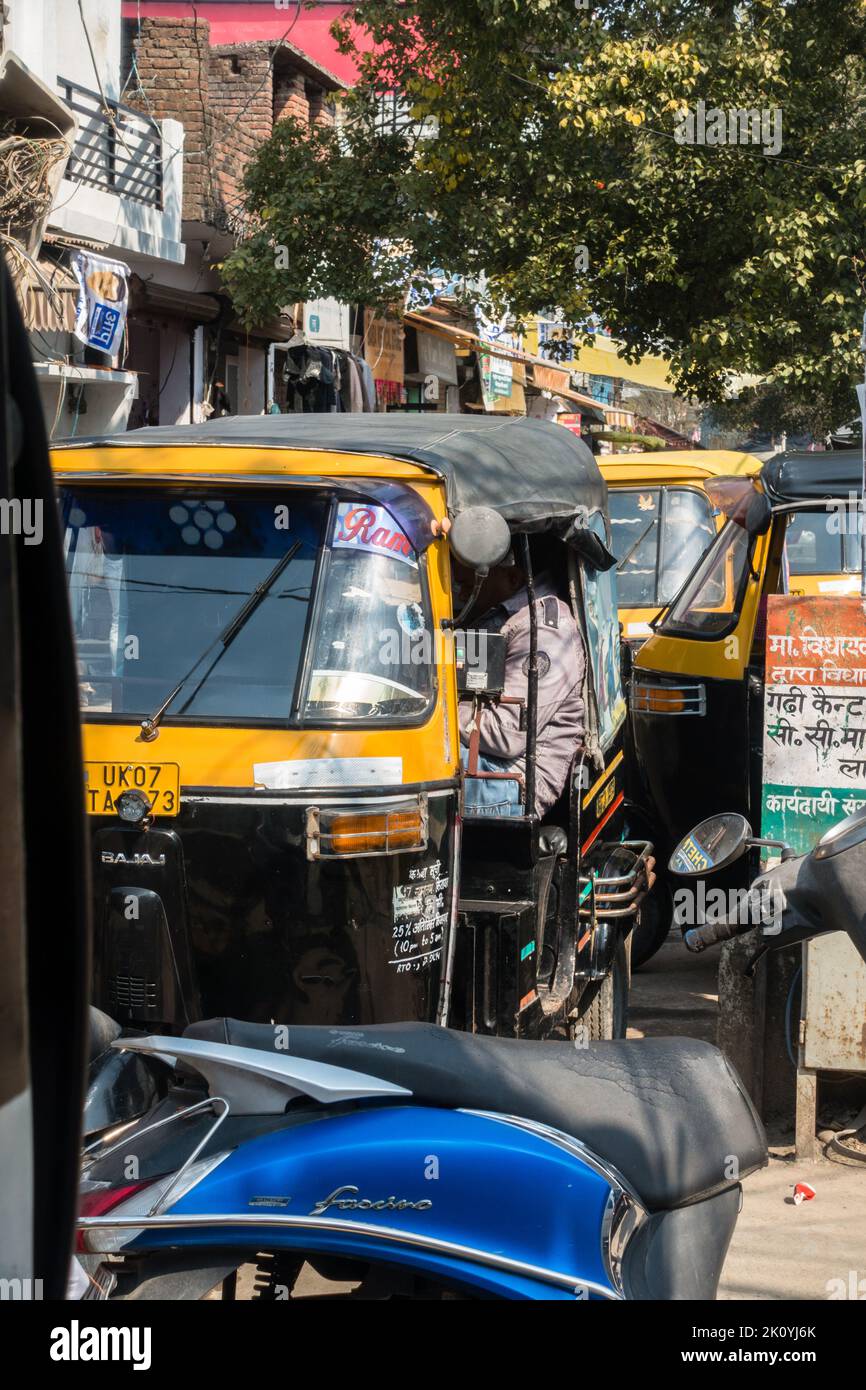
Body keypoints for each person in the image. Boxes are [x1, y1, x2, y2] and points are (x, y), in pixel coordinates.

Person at [453, 554, 586, 817]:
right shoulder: (503, 614)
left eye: (468, 587)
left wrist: (437, 715)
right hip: (484, 758)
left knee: (398, 771)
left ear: (512, 578)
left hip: (516, 779)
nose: (462, 597)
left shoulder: (546, 632)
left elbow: (508, 735)